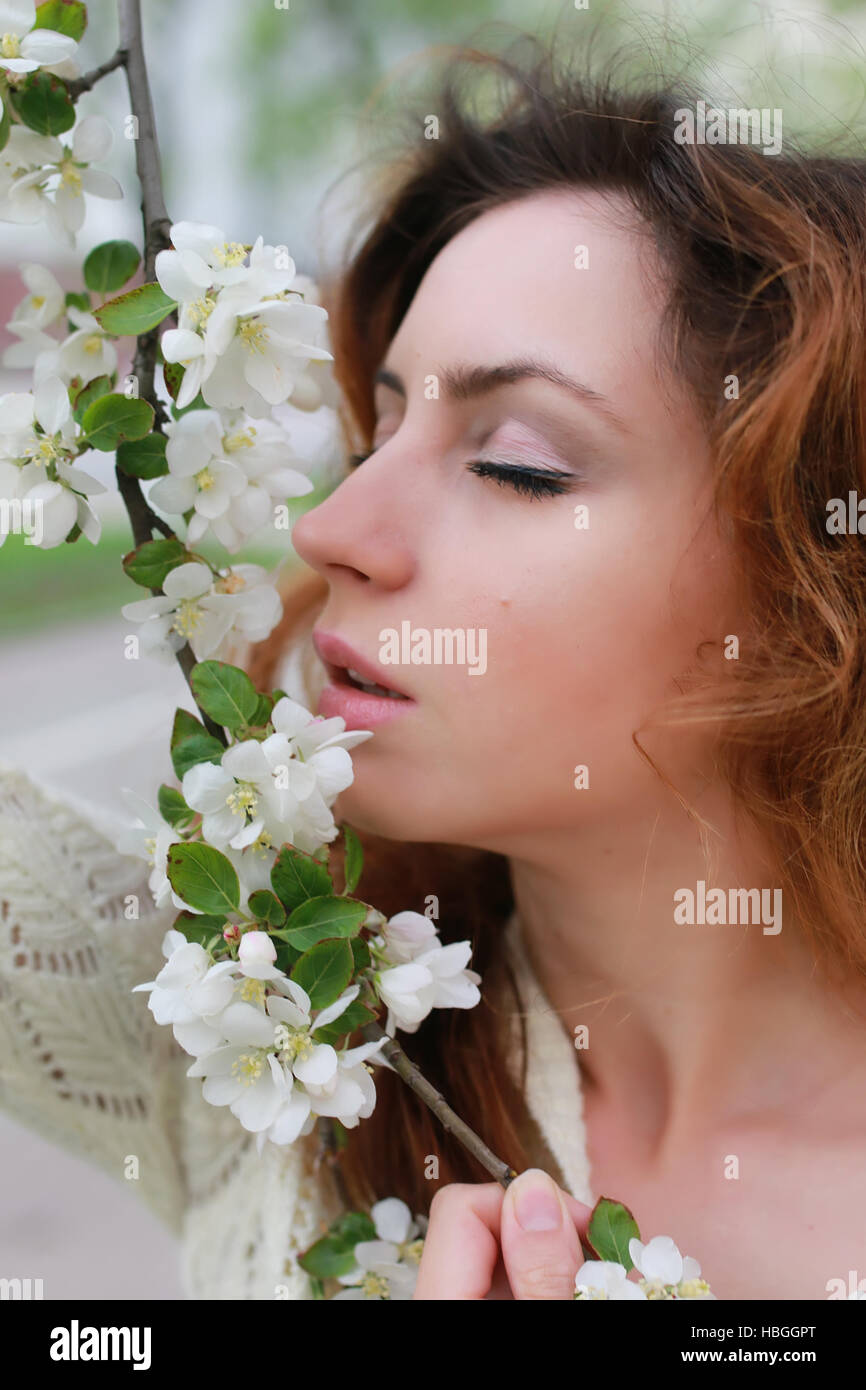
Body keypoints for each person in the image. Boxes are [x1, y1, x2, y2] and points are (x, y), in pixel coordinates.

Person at [2, 34, 866, 1301]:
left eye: (515, 461)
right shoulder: (243, 1003)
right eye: (383, 422)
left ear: (809, 591)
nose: (330, 527)